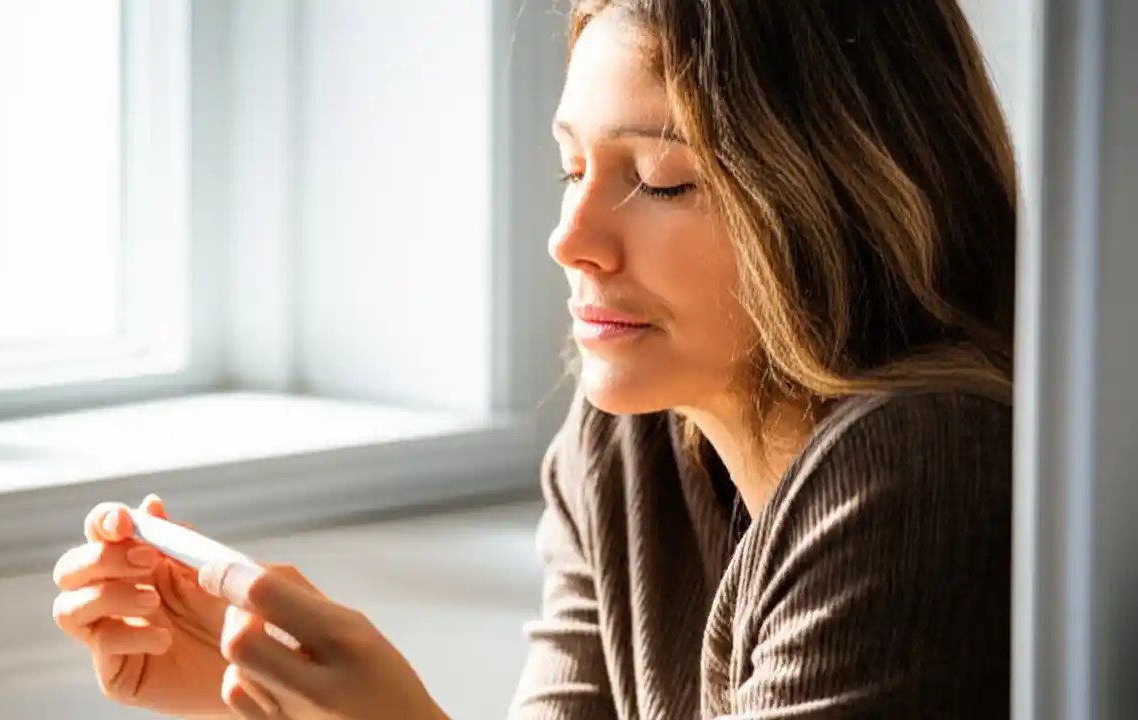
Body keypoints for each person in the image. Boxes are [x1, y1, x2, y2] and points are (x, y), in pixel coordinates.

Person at [51, 0, 1017, 717]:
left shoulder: (924, 465)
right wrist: (256, 695)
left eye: (661, 180)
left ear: (841, 197)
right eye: (572, 166)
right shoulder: (619, 448)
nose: (572, 237)